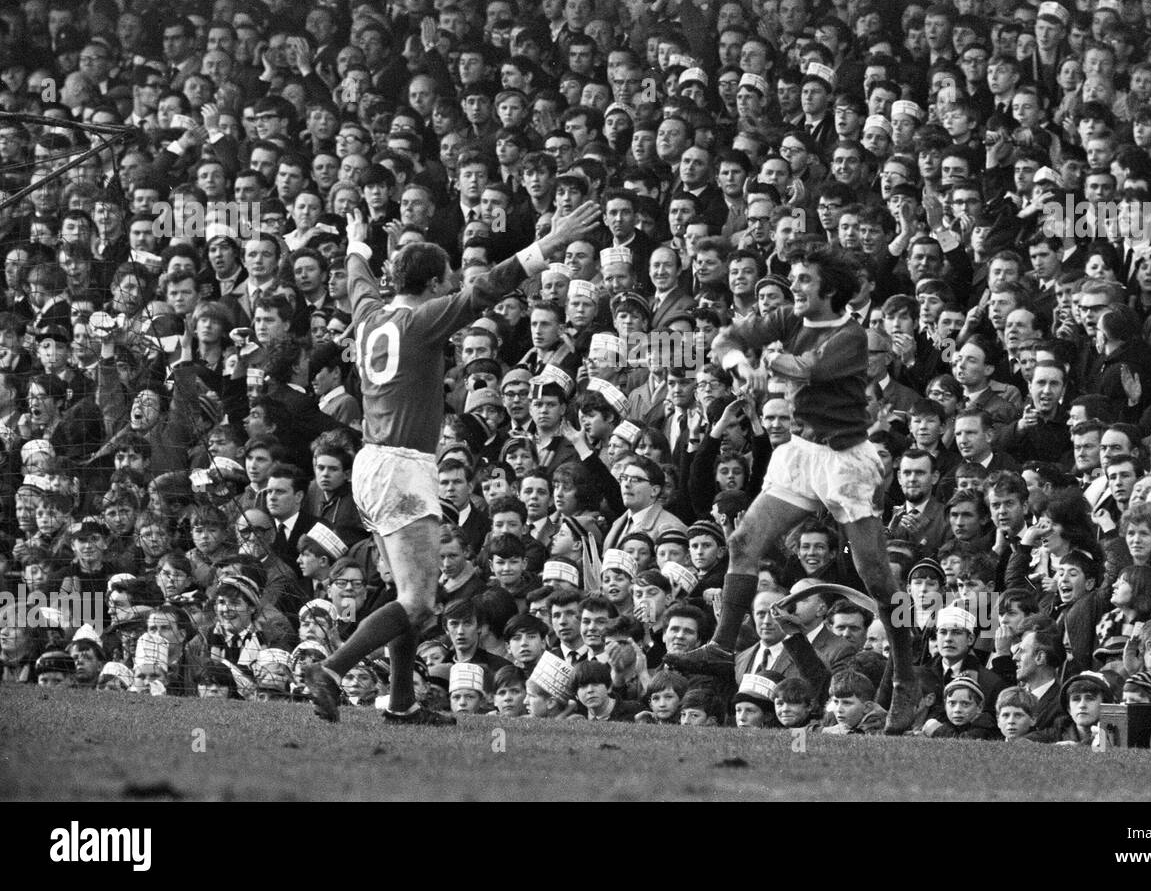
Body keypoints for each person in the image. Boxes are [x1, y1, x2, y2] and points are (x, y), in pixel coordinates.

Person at [301, 201, 603, 724]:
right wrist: (550, 245)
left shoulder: (370, 315)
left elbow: (357, 281)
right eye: (446, 280)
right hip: (403, 465)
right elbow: (485, 291)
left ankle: (401, 704)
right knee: (418, 601)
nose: (451, 286)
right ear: (433, 282)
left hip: (370, 463)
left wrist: (357, 242)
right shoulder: (422, 320)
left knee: (406, 595)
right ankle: (330, 670)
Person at [667, 245, 918, 733]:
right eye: (794, 279)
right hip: (801, 451)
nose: (794, 287)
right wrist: (742, 362)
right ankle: (722, 647)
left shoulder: (851, 336)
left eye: (804, 280)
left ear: (830, 290)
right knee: (742, 542)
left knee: (878, 580)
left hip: (845, 461)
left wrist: (771, 361)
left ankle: (905, 678)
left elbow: (804, 370)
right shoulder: (789, 315)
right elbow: (727, 337)